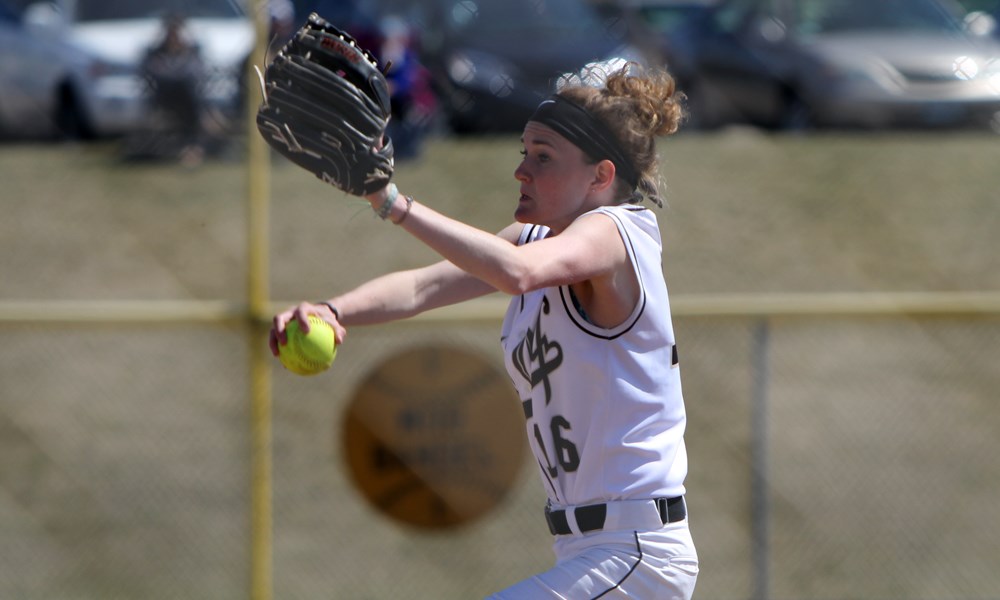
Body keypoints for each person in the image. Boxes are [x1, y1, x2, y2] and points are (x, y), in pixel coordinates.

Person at [269, 62, 698, 599]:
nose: (522, 171)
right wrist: (334, 310)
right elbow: (423, 289)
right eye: (525, 153)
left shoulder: (617, 232)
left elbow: (515, 274)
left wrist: (391, 203)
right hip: (587, 552)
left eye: (544, 158)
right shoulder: (533, 239)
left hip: (636, 554)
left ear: (601, 176)